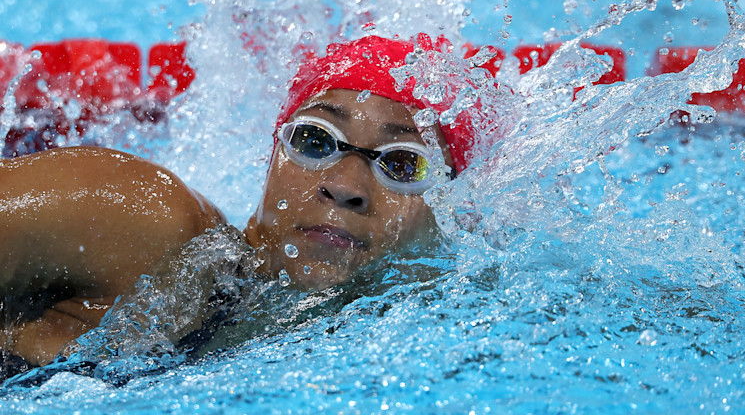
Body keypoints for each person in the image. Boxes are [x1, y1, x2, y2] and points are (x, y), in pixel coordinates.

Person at [0, 34, 488, 378]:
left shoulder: (447, 324)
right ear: (272, 158)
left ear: (446, 207)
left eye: (402, 166)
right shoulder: (141, 220)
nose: (344, 185)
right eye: (315, 140)